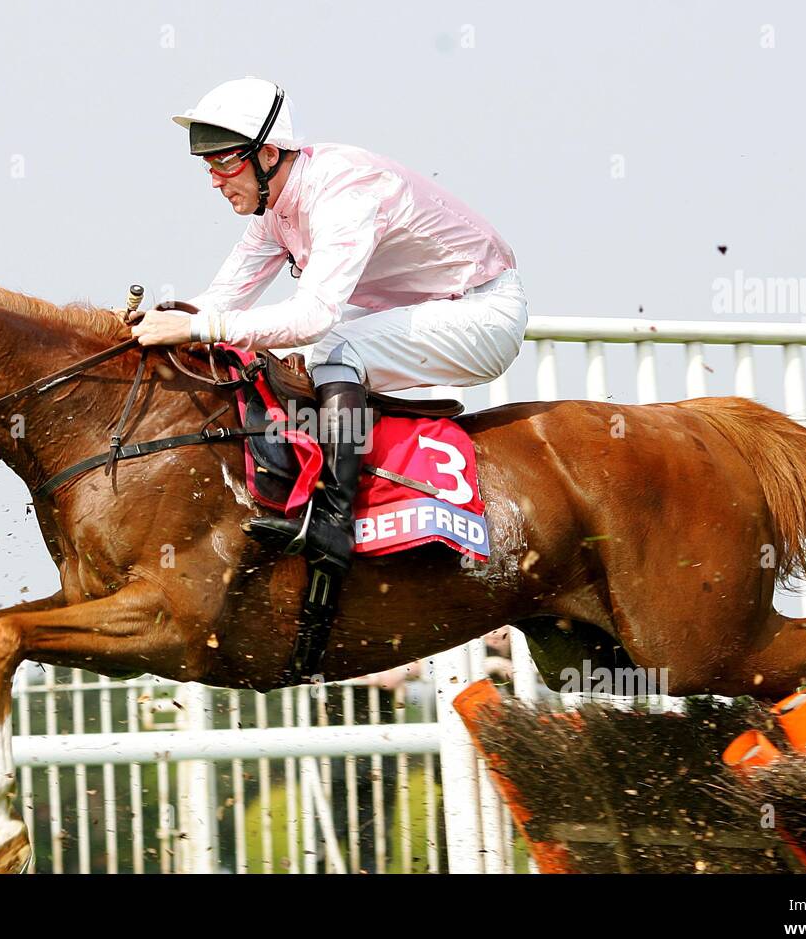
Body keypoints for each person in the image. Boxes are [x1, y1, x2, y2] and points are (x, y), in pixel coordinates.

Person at [133, 77, 527, 586]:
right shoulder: (274, 209)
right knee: (307, 355)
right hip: (430, 308)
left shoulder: (344, 190)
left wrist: (195, 326)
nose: (214, 180)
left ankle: (332, 524)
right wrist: (158, 325)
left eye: (224, 163)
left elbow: (313, 315)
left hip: (483, 313)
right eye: (208, 166)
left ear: (268, 154)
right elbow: (220, 304)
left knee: (331, 346)